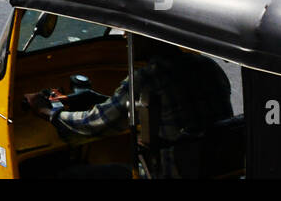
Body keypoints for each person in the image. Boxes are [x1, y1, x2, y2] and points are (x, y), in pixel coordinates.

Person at [27, 40, 234, 178]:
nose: (126, 37)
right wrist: (99, 98)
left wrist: (47, 112)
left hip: (172, 173)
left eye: (131, 33)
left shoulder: (145, 79)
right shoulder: (207, 65)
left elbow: (95, 124)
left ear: (147, 37)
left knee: (71, 176)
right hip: (220, 168)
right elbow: (175, 107)